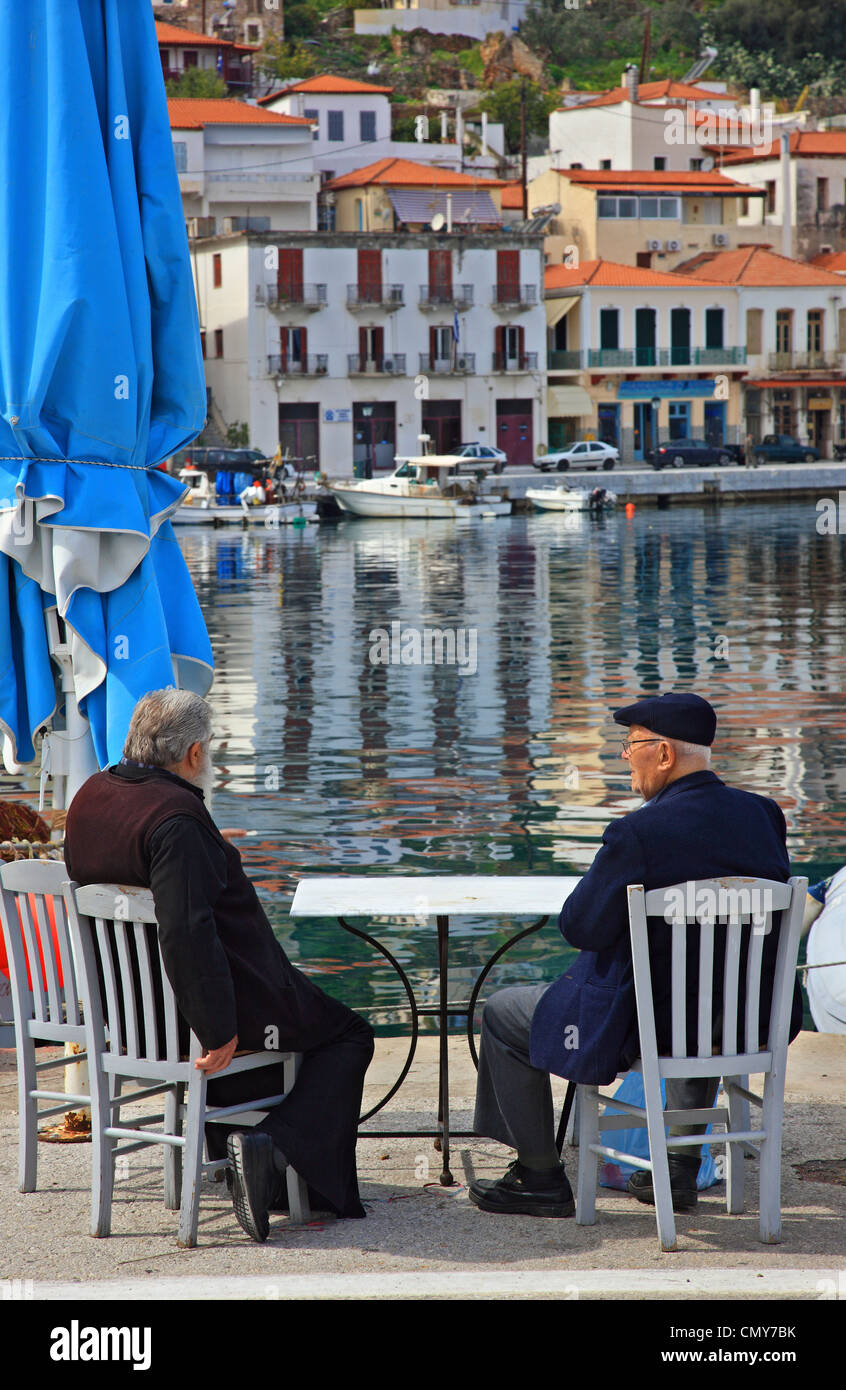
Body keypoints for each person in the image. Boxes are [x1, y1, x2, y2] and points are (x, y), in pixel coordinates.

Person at [469, 692, 802, 1219]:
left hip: (652, 1026)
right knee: (704, 998)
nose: (624, 756)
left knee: (503, 1013)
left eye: (630, 745)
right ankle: (679, 1168)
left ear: (664, 754)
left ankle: (537, 1175)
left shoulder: (637, 831)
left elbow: (580, 927)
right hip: (749, 1019)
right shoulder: (764, 815)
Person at [64, 689, 374, 1242]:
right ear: (193, 754)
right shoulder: (176, 819)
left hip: (129, 1015)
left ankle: (244, 1155)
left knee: (304, 1019)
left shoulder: (90, 796)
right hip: (192, 1016)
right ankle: (270, 1154)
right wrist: (218, 1028)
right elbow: (187, 931)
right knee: (349, 1034)